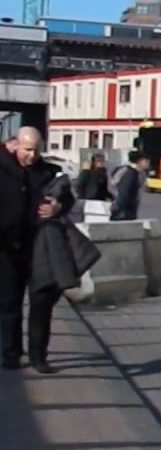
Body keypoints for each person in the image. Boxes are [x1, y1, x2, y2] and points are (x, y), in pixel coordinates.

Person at [0, 127, 76, 373]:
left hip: (41, 248)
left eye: (36, 150)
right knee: (9, 303)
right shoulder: (2, 168)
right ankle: (10, 353)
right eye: (27, 150)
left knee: (41, 304)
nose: (31, 155)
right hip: (7, 248)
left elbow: (69, 199)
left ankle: (38, 355)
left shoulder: (49, 173)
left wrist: (59, 207)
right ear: (15, 146)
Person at [110, 150, 149, 221]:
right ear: (139, 162)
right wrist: (116, 209)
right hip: (123, 214)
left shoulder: (138, 174)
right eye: (145, 161)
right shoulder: (130, 174)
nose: (148, 163)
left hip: (129, 212)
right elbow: (123, 193)